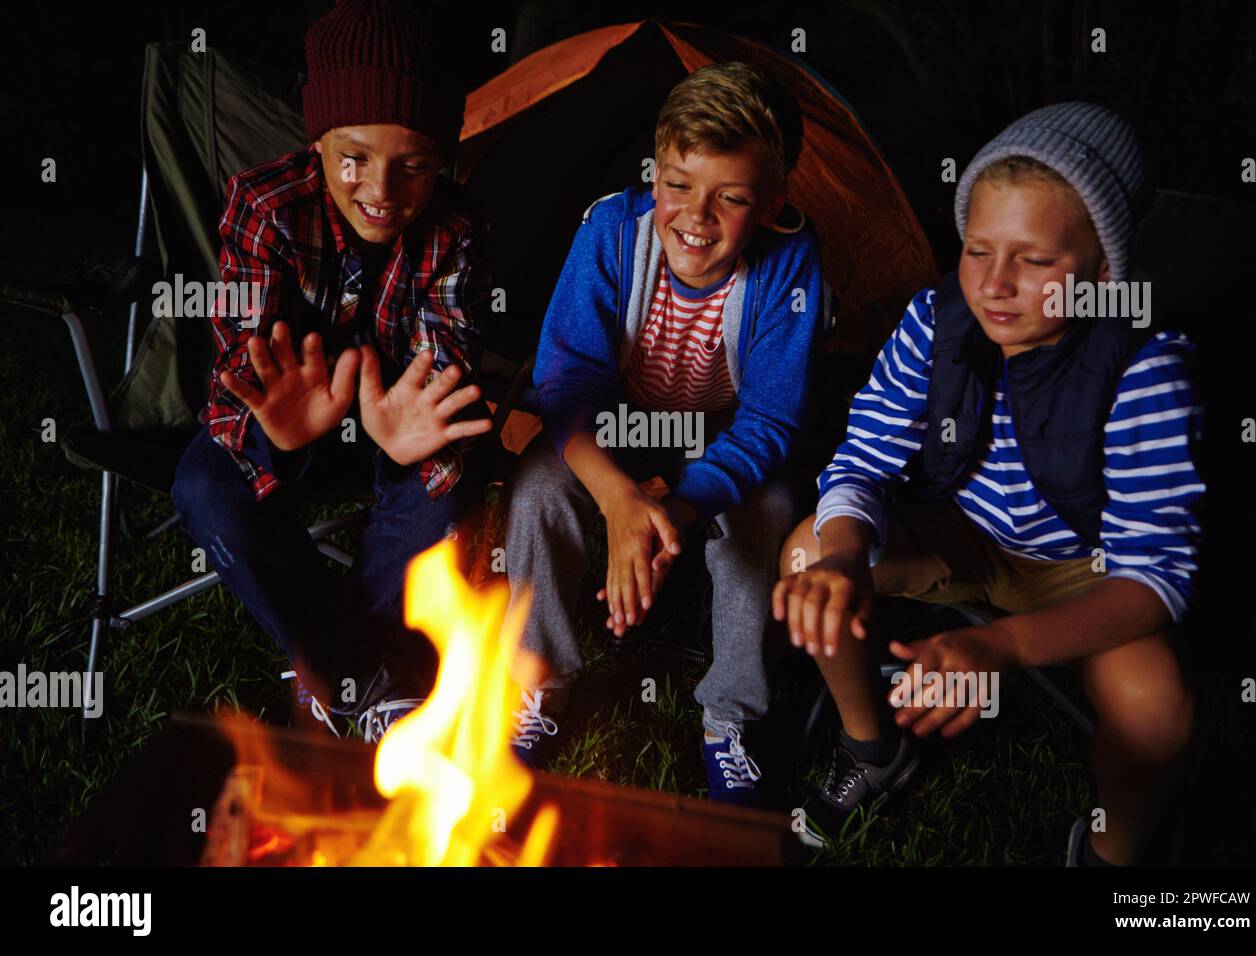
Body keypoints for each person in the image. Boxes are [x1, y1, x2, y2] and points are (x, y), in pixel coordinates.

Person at [773, 102, 1205, 862]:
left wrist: (1000, 645)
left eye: (1035, 261)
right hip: (960, 534)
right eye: (977, 250)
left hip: (1087, 570)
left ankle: (1115, 855)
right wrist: (844, 555)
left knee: (1155, 706)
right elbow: (863, 460)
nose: (996, 284)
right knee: (811, 559)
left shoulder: (1144, 366)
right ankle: (873, 750)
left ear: (1104, 270)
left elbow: (1157, 578)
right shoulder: (936, 322)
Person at [171, 0, 492, 742]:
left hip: (389, 436)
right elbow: (232, 375)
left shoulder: (458, 226)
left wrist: (418, 430)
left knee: (453, 469)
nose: (382, 190)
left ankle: (338, 683)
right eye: (356, 157)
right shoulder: (265, 204)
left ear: (440, 161)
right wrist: (271, 432)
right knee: (203, 482)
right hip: (289, 433)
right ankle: (355, 673)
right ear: (317, 143)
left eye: (413, 165)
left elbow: (448, 360)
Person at [504, 62, 825, 804]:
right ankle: (538, 682)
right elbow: (568, 381)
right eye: (678, 184)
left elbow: (772, 420)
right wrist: (618, 499)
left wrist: (676, 506)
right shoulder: (612, 230)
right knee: (536, 490)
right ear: (656, 172)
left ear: (772, 202)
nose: (695, 216)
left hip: (724, 436)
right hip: (616, 423)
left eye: (731, 198)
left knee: (765, 520)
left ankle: (730, 717)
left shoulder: (794, 265)